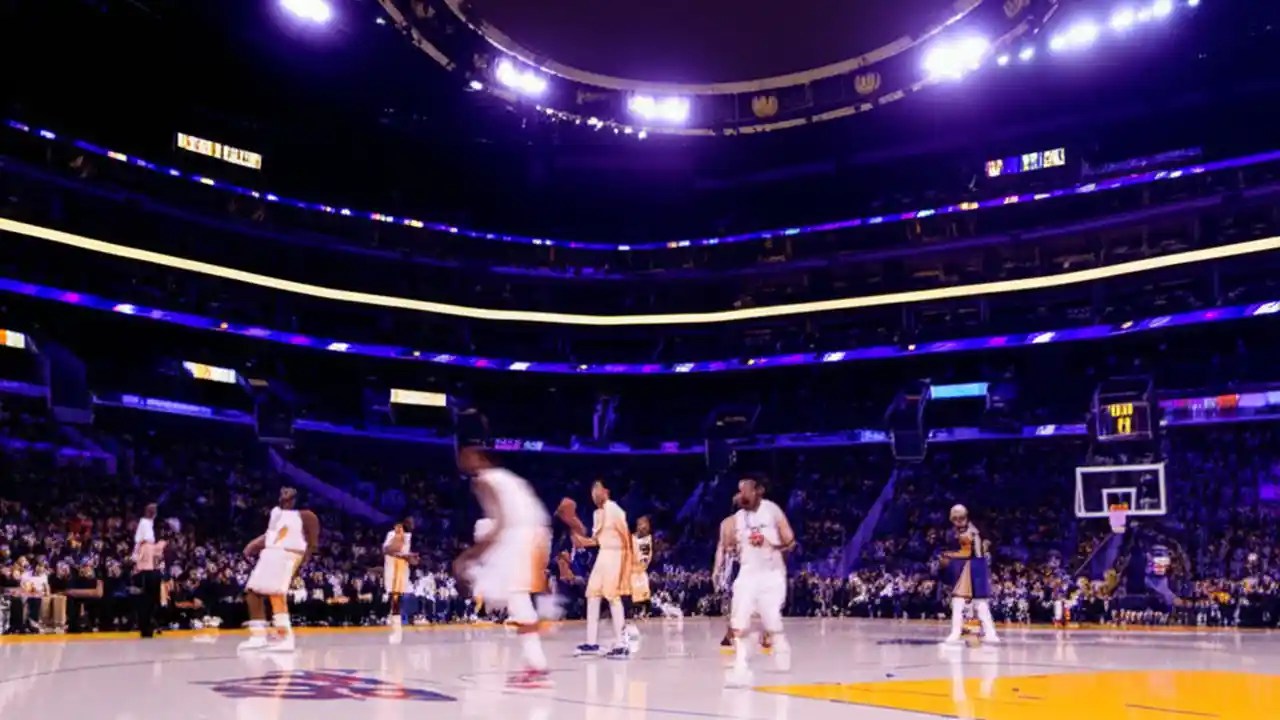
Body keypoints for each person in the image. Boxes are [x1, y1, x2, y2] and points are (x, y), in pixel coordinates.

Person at [452, 447, 554, 688]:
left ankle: (538, 667)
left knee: (516, 597)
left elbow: (501, 525)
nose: (462, 458)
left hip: (523, 535)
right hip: (531, 533)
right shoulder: (505, 477)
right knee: (515, 598)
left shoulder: (485, 480)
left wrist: (467, 557)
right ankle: (535, 664)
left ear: (481, 458)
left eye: (468, 454)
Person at [726, 473, 796, 688]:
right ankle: (740, 667)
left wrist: (772, 546)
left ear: (759, 490)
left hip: (772, 573)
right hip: (747, 573)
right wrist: (732, 550)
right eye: (740, 490)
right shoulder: (737, 518)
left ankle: (781, 646)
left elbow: (791, 542)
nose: (742, 493)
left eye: (747, 489)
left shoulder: (772, 510)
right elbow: (729, 545)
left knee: (771, 619)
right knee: (739, 621)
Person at [238, 487, 320, 653]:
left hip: (289, 554)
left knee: (276, 594)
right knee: (252, 592)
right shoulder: (275, 513)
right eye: (282, 492)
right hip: (270, 553)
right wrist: (253, 545)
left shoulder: (307, 516)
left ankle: (285, 638)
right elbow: (271, 535)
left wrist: (300, 567)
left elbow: (312, 545)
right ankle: (258, 636)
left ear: (297, 497)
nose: (283, 494)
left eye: (288, 492)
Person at [572, 480, 635, 659]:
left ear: (606, 491)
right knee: (592, 594)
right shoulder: (597, 514)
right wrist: (583, 541)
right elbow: (597, 540)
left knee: (613, 596)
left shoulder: (614, 509)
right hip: (603, 555)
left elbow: (625, 535)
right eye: (592, 490)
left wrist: (626, 562)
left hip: (616, 554)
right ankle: (591, 643)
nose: (593, 494)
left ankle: (622, 644)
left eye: (596, 489)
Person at [940, 504, 1000, 645]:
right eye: (955, 517)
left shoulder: (976, 529)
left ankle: (990, 632)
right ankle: (955, 632)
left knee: (981, 603)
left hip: (977, 567)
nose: (958, 520)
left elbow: (977, 549)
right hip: (961, 568)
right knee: (958, 602)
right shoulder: (950, 533)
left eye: (961, 516)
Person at [383, 517, 417, 644]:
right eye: (411, 522)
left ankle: (396, 624)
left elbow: (404, 554)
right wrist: (405, 556)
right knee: (394, 597)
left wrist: (411, 558)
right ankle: (393, 623)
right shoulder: (393, 533)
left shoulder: (408, 536)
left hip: (402, 569)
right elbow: (387, 549)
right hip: (393, 568)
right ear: (404, 522)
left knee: (400, 597)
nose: (414, 524)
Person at [712, 498, 741, 648]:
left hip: (732, 564)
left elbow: (720, 549)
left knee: (729, 601)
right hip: (741, 564)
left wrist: (716, 570)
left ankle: (731, 632)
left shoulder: (725, 523)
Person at [630, 516, 654, 620]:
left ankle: (644, 612)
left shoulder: (649, 539)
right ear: (637, 526)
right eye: (641, 524)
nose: (644, 527)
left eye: (646, 524)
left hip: (642, 572)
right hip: (631, 572)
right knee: (634, 596)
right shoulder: (631, 539)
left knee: (645, 596)